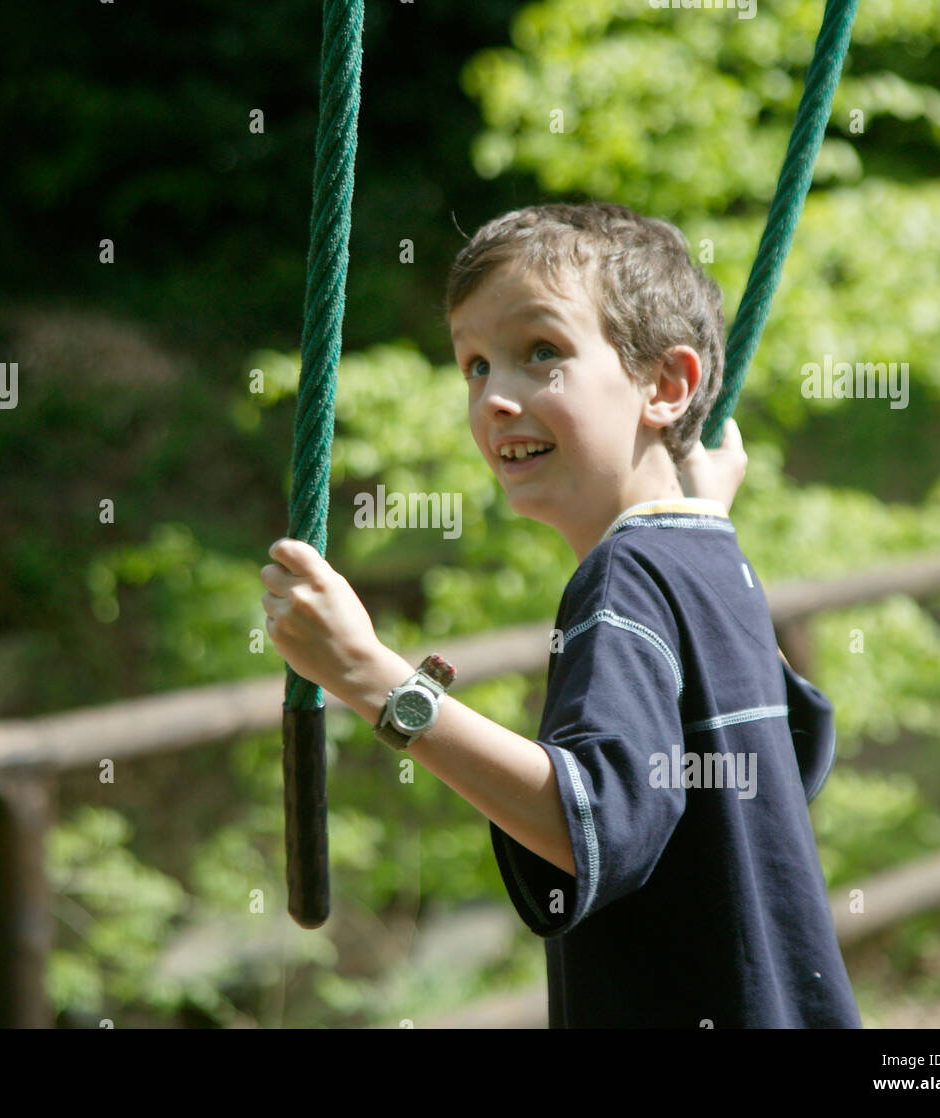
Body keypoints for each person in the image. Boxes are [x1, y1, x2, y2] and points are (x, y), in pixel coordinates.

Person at [260, 201, 862, 1028]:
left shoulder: (623, 582)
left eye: (541, 353)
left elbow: (595, 822)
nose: (494, 398)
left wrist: (368, 675)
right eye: (474, 366)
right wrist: (709, 520)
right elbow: (799, 748)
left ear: (668, 385)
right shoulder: (710, 560)